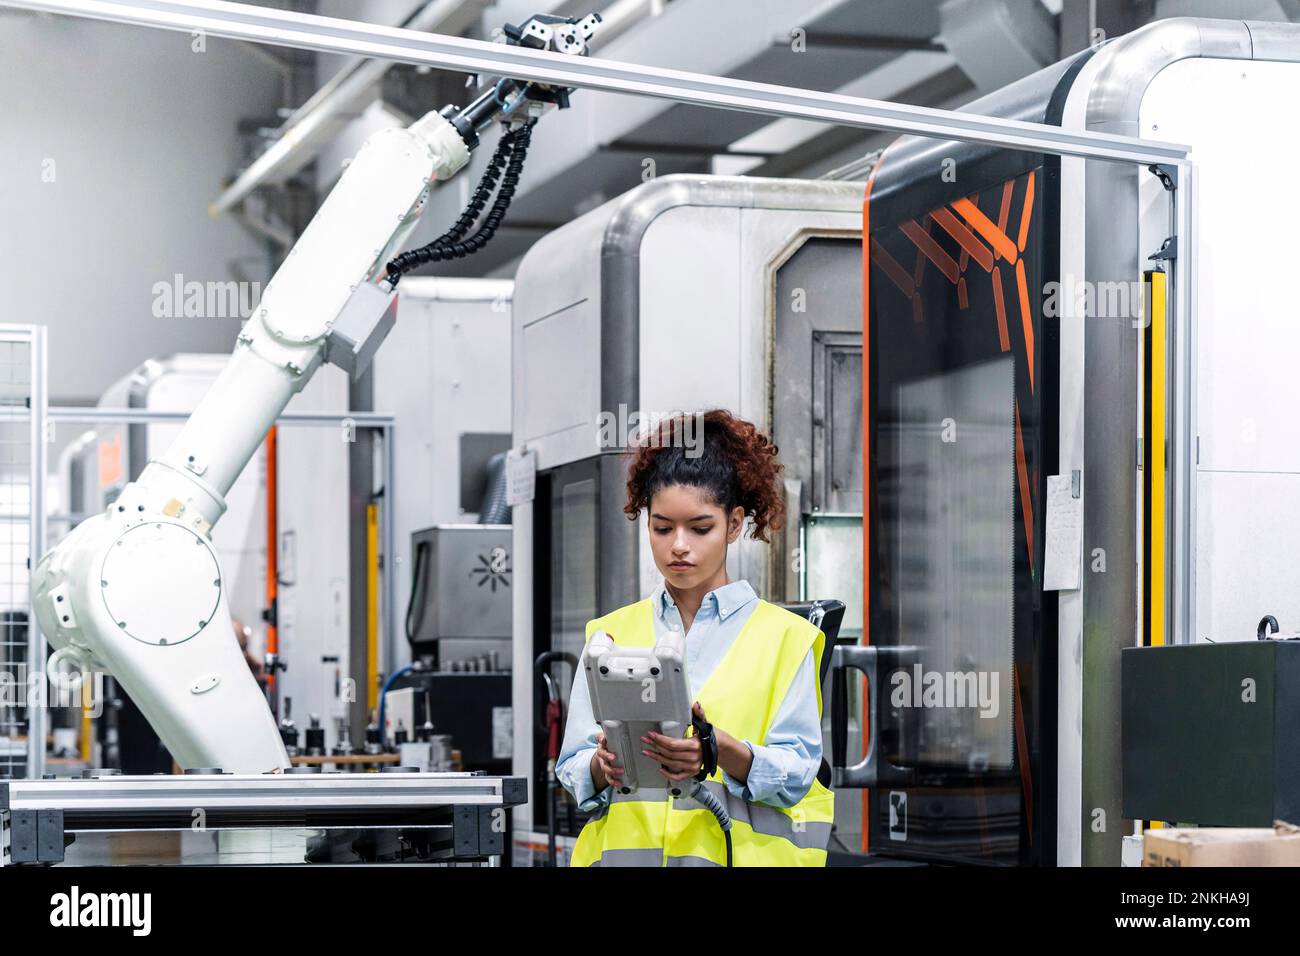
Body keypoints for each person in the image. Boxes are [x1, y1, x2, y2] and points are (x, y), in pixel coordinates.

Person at [555, 408, 835, 866]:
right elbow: (572, 770)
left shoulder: (786, 640)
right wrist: (601, 768)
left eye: (700, 528)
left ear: (736, 523)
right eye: (662, 527)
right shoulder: (608, 636)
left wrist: (717, 749)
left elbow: (797, 773)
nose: (678, 545)